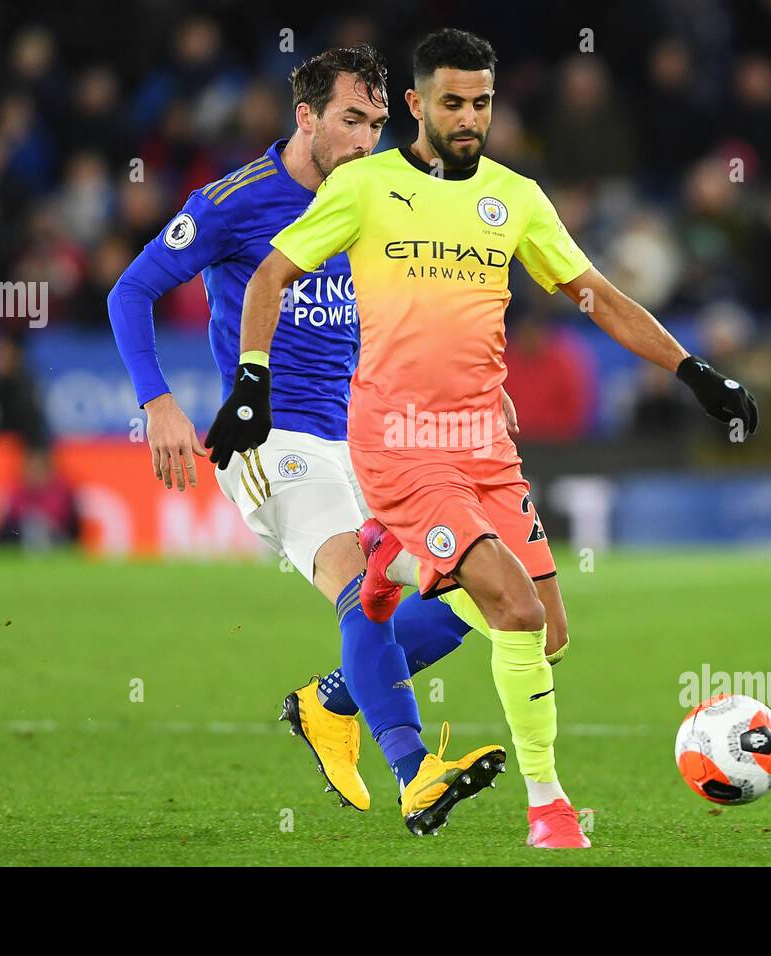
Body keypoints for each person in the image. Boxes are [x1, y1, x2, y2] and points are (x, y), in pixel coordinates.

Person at [209, 29, 759, 849]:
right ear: (417, 104)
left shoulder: (517, 199)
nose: (469, 118)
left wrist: (697, 375)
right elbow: (270, 275)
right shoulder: (367, 187)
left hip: (485, 450)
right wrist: (252, 381)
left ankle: (362, 631)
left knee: (547, 631)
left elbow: (600, 298)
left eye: (482, 102)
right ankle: (549, 808)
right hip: (397, 443)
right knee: (513, 603)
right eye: (453, 102)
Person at [107, 46, 509, 837]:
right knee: (366, 585)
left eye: (376, 123)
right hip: (271, 440)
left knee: (477, 598)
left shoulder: (389, 196)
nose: (366, 141)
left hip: (368, 441)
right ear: (306, 118)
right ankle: (416, 773)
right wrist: (157, 402)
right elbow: (132, 290)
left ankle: (328, 704)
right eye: (350, 122)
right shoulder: (237, 200)